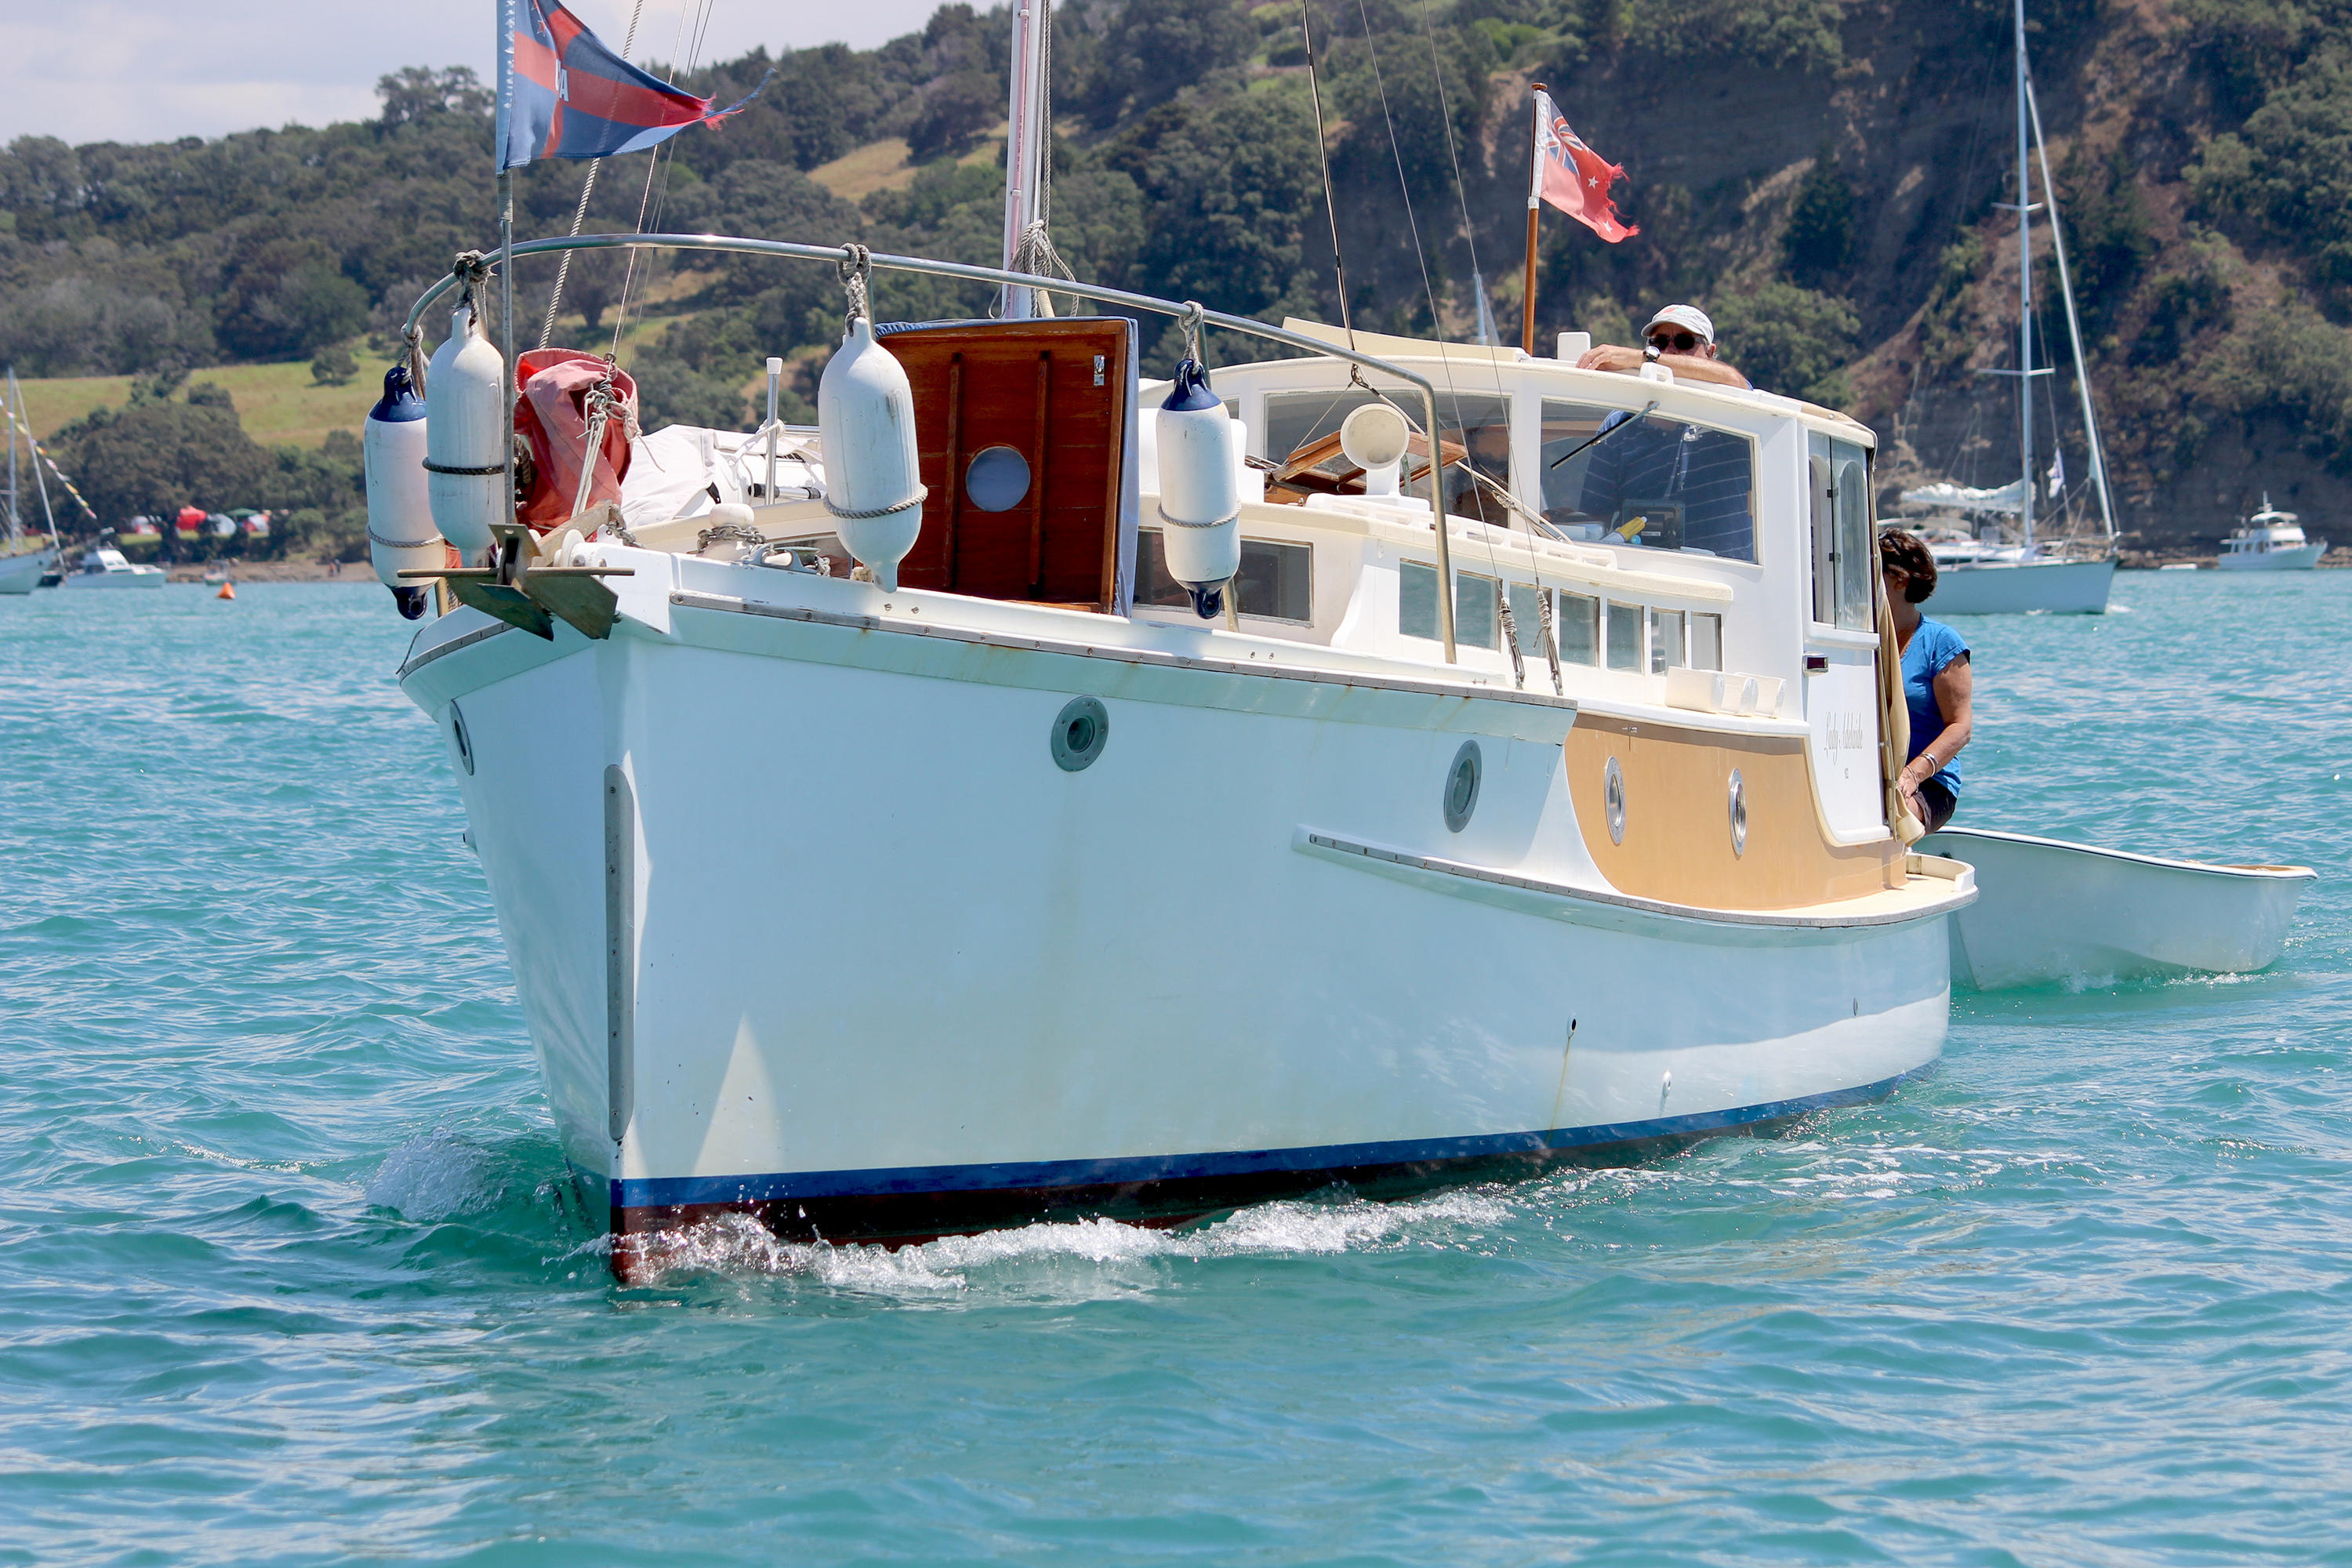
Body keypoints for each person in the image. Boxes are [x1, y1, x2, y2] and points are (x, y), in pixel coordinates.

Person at [1878, 528, 1973, 831]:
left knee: (1892, 810)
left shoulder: (1941, 642)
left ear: (1899, 579)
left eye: (1870, 574)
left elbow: (1961, 727)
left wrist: (1913, 773)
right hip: (1870, 775)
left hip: (1929, 784)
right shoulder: (1857, 640)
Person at [1575, 304, 1752, 390]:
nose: (1670, 350)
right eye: (1659, 343)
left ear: (1709, 352)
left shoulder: (1728, 397)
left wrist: (1641, 359)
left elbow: (1733, 379)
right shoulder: (1622, 421)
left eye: (1684, 342)